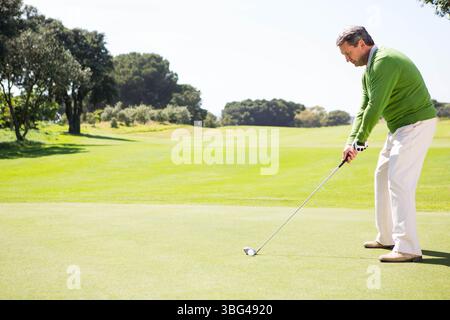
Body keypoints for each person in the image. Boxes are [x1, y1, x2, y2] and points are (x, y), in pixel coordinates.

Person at [336, 26, 437, 263]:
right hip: (399, 128)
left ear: (361, 44)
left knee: (399, 181)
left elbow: (375, 108)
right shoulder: (368, 72)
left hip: (416, 123)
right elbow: (362, 108)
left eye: (347, 53)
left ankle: (408, 247)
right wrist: (351, 141)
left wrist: (360, 143)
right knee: (382, 176)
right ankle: (387, 236)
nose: (347, 60)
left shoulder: (385, 61)